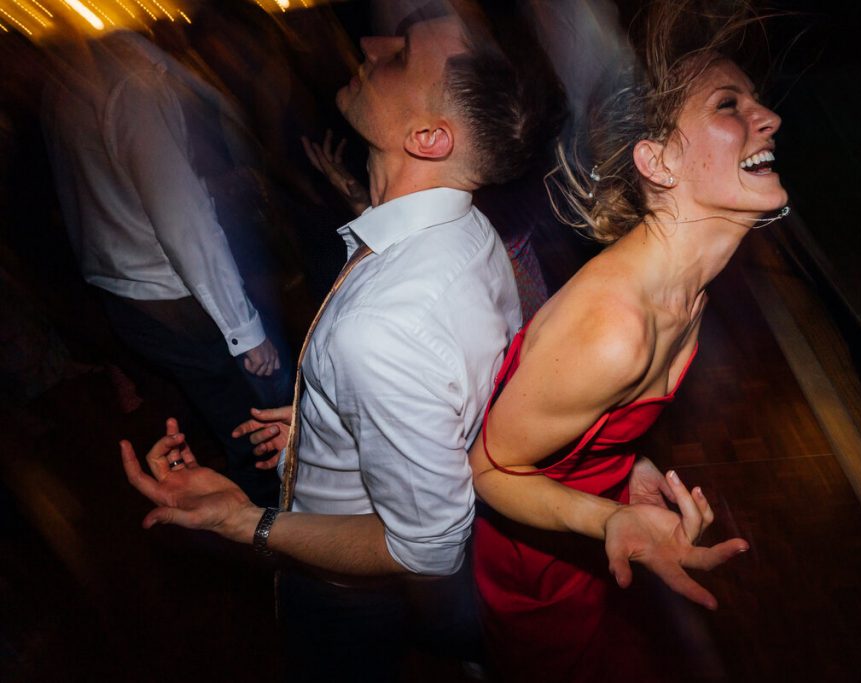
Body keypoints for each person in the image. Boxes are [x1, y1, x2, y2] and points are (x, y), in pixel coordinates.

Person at [120, 7, 554, 681]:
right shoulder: (469, 237)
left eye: (403, 54)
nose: (370, 44)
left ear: (430, 137)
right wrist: (335, 420)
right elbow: (457, 394)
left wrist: (248, 523)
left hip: (339, 595)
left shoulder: (381, 326)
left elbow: (427, 547)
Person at [468, 2, 786, 680]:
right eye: (730, 105)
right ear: (660, 160)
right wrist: (605, 517)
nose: (769, 119)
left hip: (584, 521)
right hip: (538, 560)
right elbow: (486, 469)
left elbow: (598, 422)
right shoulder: (616, 328)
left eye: (757, 102)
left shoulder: (689, 293)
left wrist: (627, 471)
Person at [42, 28, 290, 506]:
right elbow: (181, 218)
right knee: (261, 424)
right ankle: (293, 530)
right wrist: (244, 330)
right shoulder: (131, 83)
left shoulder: (68, 81)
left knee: (224, 415)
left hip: (125, 291)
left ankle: (271, 515)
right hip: (171, 294)